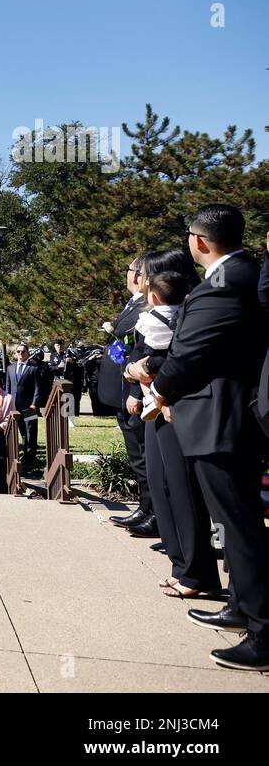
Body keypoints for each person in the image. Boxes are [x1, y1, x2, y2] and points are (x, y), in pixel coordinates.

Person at [137, 205, 269, 670]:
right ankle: (241, 604)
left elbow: (190, 353)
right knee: (240, 519)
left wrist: (158, 392)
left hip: (221, 421)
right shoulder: (245, 274)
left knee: (240, 523)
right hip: (230, 416)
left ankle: (263, 629)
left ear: (199, 241)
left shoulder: (221, 285)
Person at [129, 261, 221, 599]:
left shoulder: (178, 320)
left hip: (173, 408)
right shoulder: (153, 320)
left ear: (153, 296)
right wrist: (132, 369)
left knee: (182, 491)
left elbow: (173, 358)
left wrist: (145, 371)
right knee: (162, 484)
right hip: (155, 407)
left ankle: (198, 574)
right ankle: (180, 564)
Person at [102, 256, 156, 535]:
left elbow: (142, 352)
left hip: (133, 394)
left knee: (143, 456)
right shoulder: (134, 303)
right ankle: (146, 507)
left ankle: (153, 512)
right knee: (138, 456)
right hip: (124, 393)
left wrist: (135, 392)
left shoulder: (145, 306)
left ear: (137, 275)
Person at [4, 343, 50, 467]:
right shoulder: (10, 368)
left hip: (29, 406)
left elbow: (37, 388)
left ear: (27, 353)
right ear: (15, 354)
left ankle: (30, 456)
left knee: (31, 430)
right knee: (21, 431)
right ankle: (21, 454)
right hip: (14, 406)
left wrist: (34, 404)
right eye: (18, 351)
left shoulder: (33, 369)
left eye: (23, 351)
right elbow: (8, 387)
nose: (20, 354)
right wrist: (7, 404)